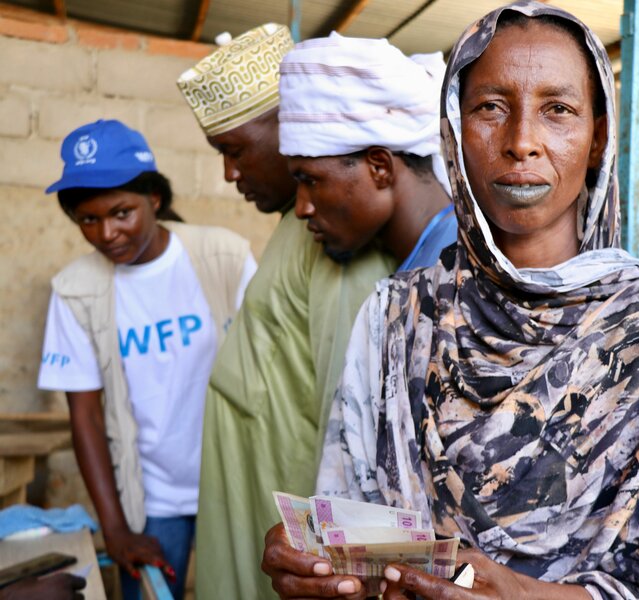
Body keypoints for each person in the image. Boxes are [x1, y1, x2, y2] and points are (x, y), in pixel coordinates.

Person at [261, 3, 639, 599]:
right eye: (490, 108)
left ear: (597, 137)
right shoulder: (396, 318)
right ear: (455, 131)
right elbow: (357, 537)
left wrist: (523, 595)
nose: (521, 141)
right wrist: (315, 558)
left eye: (558, 110)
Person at [176, 25, 395, 599]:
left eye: (235, 150)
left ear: (292, 126)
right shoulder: (295, 227)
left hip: (290, 515)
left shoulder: (334, 234)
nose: (230, 174)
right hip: (249, 498)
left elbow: (348, 420)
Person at [38, 119, 256, 600]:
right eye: (88, 220)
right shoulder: (75, 291)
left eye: (122, 213)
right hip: (151, 499)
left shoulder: (223, 256)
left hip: (232, 483)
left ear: (154, 199)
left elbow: (268, 373)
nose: (107, 233)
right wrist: (115, 528)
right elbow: (85, 416)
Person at [278, 33, 456, 271]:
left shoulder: (456, 268)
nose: (302, 209)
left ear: (379, 167)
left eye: (310, 180)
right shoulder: (434, 258)